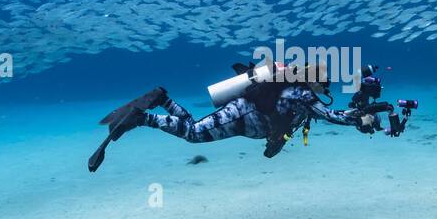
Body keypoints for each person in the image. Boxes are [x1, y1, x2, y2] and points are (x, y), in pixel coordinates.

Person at [87, 63, 410, 173]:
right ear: (314, 81)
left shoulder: (298, 92)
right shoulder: (303, 95)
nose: (326, 89)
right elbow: (332, 116)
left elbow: (328, 113)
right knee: (194, 135)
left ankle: (162, 99)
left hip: (245, 117)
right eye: (323, 84)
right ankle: (143, 118)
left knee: (194, 130)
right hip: (243, 116)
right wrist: (360, 119)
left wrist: (361, 113)